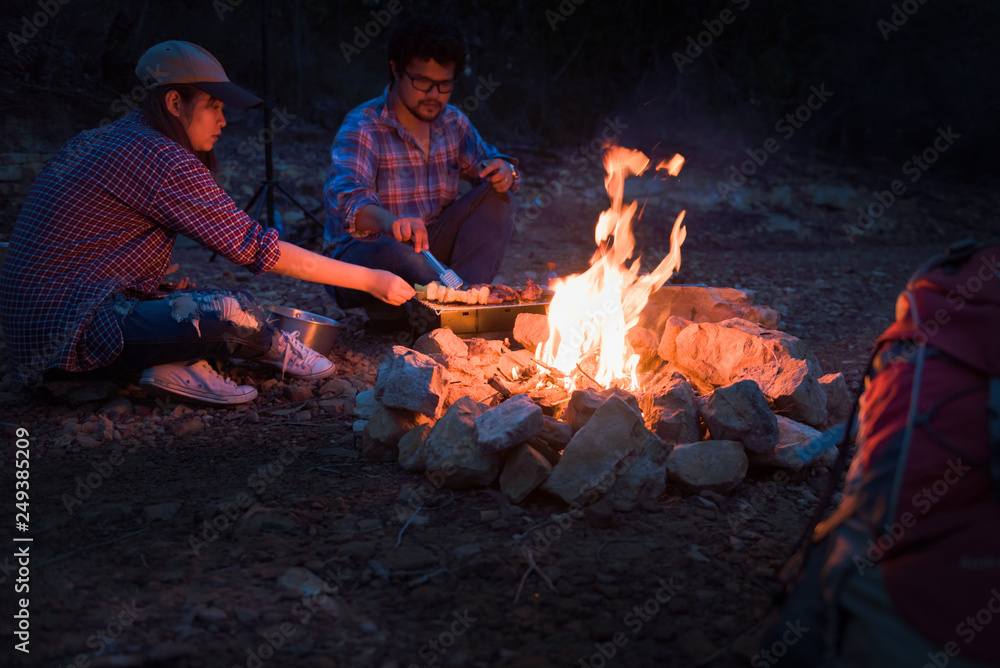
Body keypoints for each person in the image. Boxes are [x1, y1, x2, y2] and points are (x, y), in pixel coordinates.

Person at [0, 40, 414, 406]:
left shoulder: (98, 139)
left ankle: (158, 359)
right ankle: (174, 361)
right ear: (174, 104)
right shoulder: (162, 157)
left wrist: (144, 282)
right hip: (74, 332)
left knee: (189, 298)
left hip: (34, 336)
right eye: (213, 106)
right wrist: (371, 279)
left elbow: (73, 253)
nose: (223, 119)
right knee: (238, 311)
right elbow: (257, 248)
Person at [323, 13, 519, 317]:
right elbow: (349, 203)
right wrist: (391, 222)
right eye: (422, 82)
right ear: (396, 70)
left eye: (444, 85)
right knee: (400, 253)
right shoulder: (363, 126)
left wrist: (505, 172)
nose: (434, 95)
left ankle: (459, 307)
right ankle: (430, 308)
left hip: (431, 256)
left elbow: (490, 163)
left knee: (497, 196)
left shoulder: (453, 122)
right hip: (368, 256)